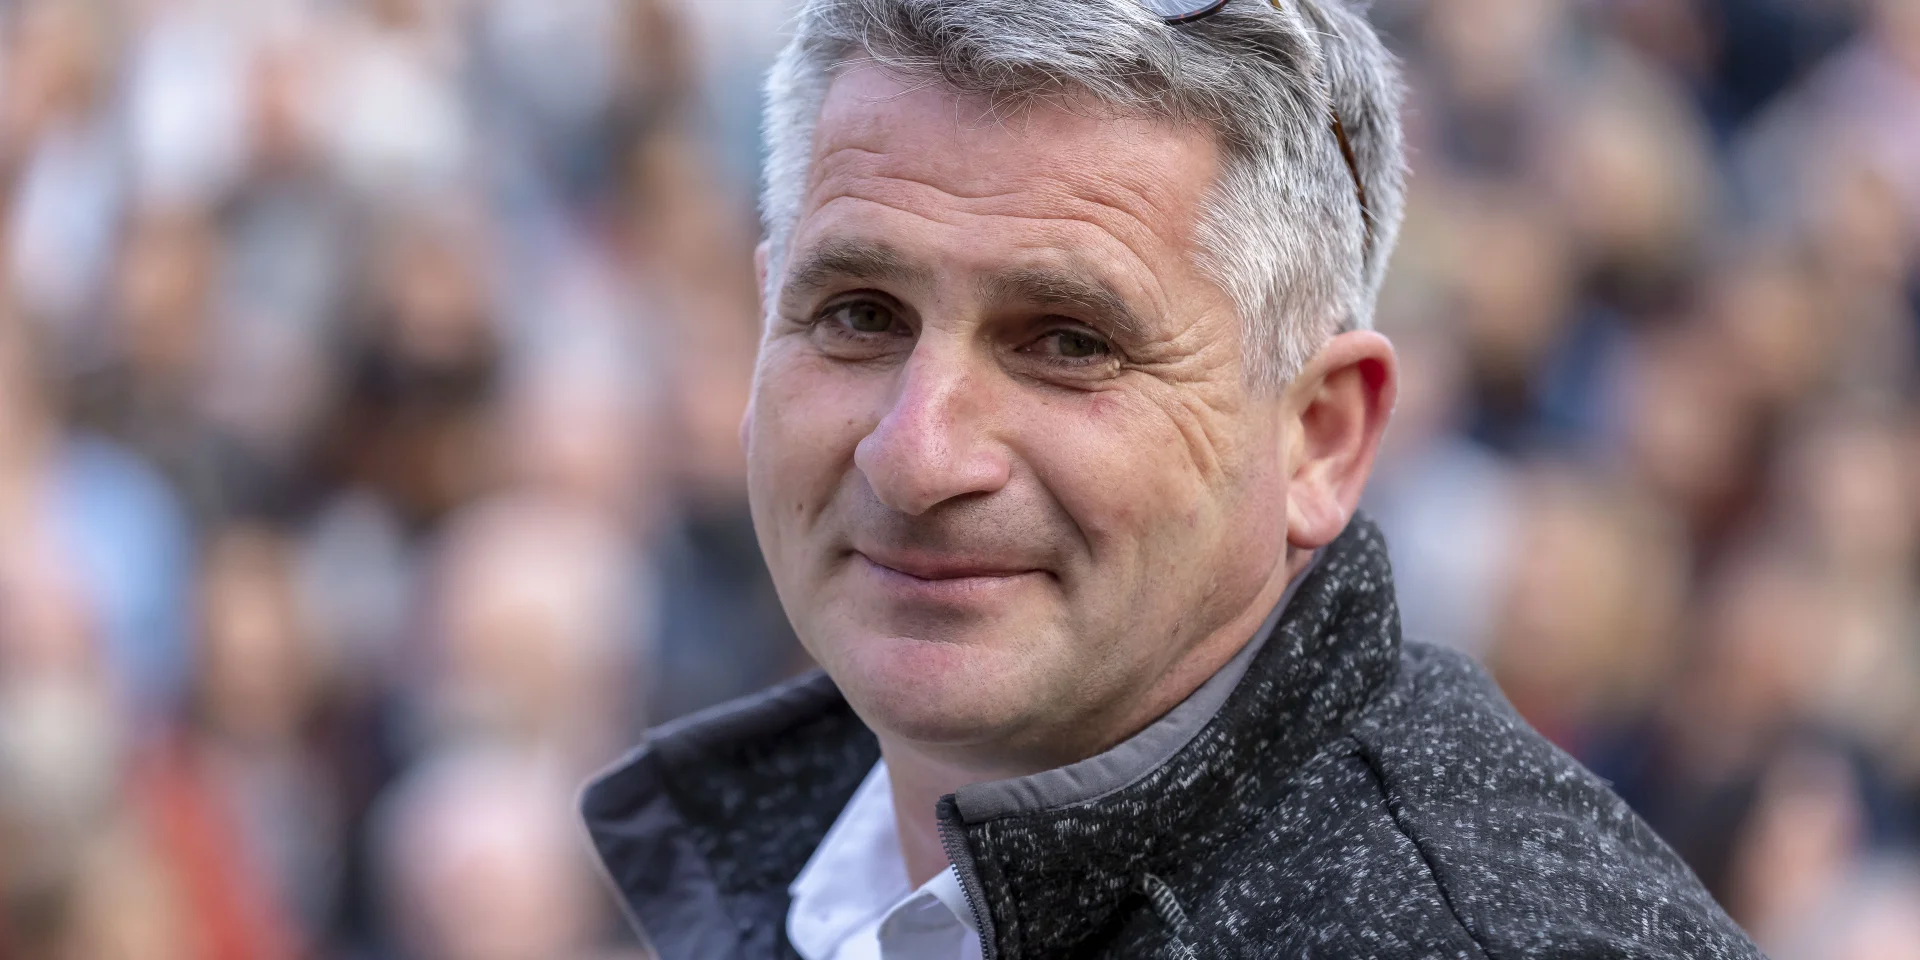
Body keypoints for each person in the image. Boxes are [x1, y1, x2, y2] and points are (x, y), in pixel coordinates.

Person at [581, 1, 1764, 957]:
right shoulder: (800, 854)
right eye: (859, 316)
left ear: (1319, 439)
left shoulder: (1500, 934)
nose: (915, 453)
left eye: (1067, 342)